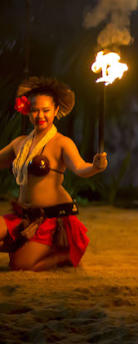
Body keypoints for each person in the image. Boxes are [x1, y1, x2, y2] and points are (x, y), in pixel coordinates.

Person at [0, 77, 107, 271]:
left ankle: (62, 256)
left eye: (46, 110)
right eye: (34, 110)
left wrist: (96, 166)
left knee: (19, 264)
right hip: (24, 215)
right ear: (27, 111)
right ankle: (23, 245)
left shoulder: (61, 143)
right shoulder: (20, 143)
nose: (40, 115)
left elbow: (81, 168)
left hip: (51, 220)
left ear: (56, 110)